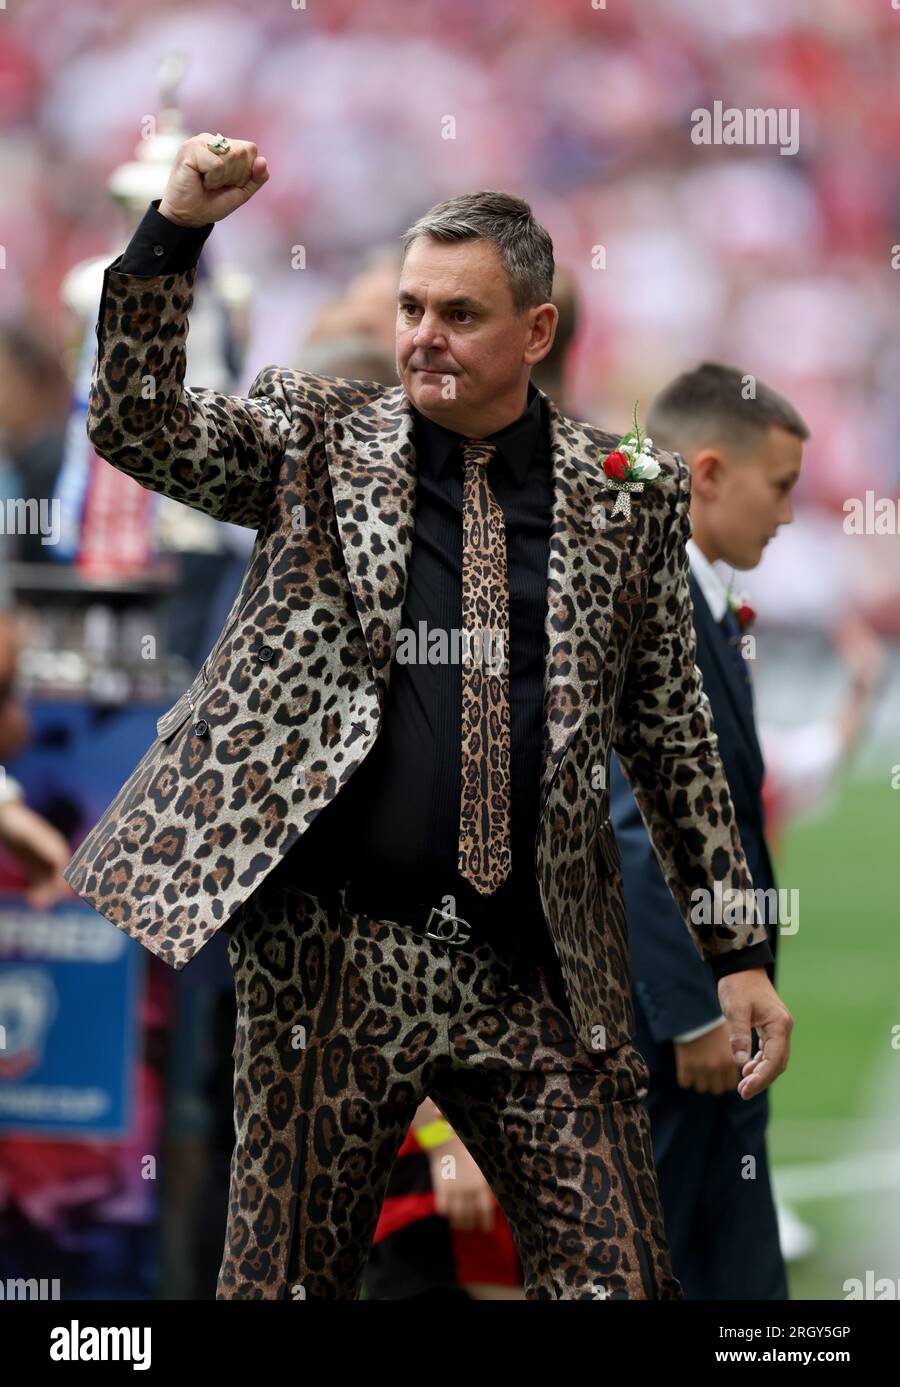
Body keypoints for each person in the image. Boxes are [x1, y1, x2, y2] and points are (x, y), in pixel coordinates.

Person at [63, 133, 792, 1301]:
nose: (422, 336)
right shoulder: (316, 440)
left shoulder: (630, 494)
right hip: (339, 959)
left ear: (537, 333)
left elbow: (674, 739)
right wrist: (173, 232)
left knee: (622, 1283)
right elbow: (134, 422)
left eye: (458, 312)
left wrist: (739, 949)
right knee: (281, 1285)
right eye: (410, 307)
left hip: (543, 968)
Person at [609, 361, 807, 1299]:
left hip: (718, 1014)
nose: (789, 515)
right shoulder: (651, 601)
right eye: (781, 488)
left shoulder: (700, 599)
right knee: (675, 1264)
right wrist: (693, 1004)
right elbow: (636, 818)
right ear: (711, 472)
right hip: (682, 1026)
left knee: (734, 1271)